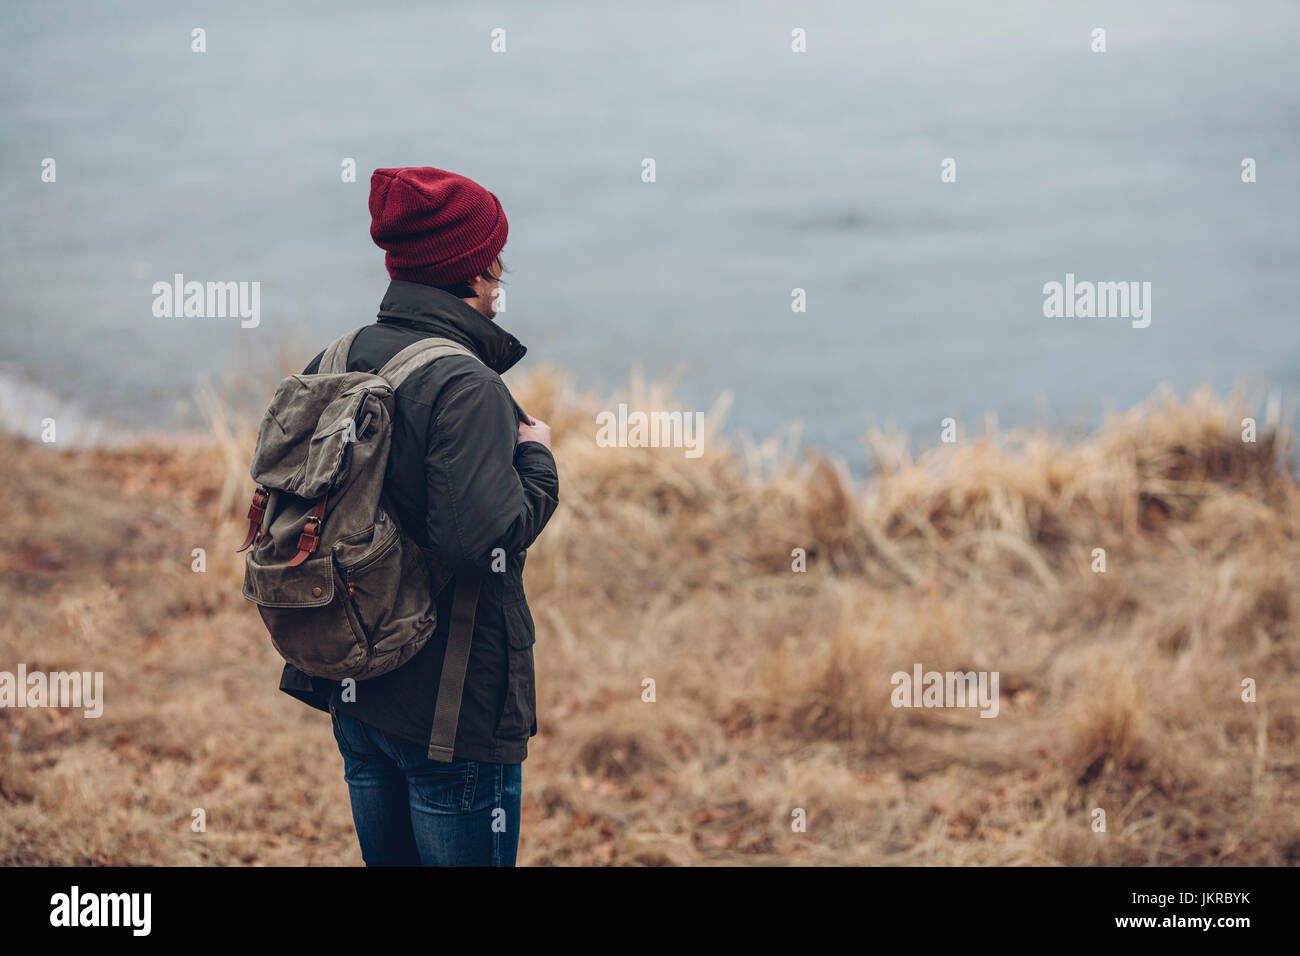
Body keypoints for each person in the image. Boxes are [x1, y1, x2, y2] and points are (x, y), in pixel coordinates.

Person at [278, 166, 559, 866]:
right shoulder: (466, 383)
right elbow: (482, 544)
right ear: (472, 269)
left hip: (353, 688)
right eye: (496, 266)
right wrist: (538, 462)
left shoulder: (336, 358)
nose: (500, 286)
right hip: (447, 712)